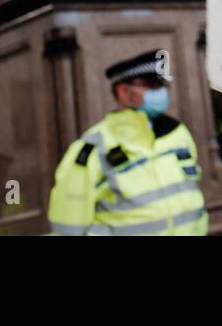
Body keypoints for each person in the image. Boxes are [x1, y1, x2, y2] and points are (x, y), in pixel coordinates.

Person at [47, 50, 207, 235]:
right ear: (123, 92)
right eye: (151, 85)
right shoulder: (93, 148)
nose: (161, 91)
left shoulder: (178, 133)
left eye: (162, 84)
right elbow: (68, 227)